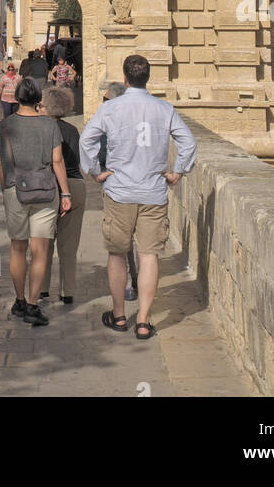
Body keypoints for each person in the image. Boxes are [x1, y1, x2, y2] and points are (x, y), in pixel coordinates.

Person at [79, 54, 196, 340]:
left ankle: (119, 315)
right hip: (153, 192)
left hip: (119, 191)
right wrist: (178, 171)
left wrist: (95, 170)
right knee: (149, 256)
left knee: (117, 253)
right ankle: (143, 321)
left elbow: (87, 140)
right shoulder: (164, 109)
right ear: (148, 77)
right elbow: (188, 142)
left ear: (126, 77)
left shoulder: (111, 108)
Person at [0, 77, 72, 327]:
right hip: (45, 190)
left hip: (15, 189)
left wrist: (5, 187)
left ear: (16, 96)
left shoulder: (4, 125)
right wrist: (66, 193)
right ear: (39, 99)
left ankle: (18, 299)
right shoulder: (49, 126)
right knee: (40, 250)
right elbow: (57, 160)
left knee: (18, 247)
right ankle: (33, 304)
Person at [40, 86, 87, 305]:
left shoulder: (41, 129)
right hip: (75, 185)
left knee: (44, 241)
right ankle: (67, 291)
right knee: (69, 245)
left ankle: (41, 288)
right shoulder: (72, 130)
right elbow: (77, 159)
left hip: (50, 186)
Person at [99, 82, 137, 300]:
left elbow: (101, 154)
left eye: (105, 100)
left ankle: (129, 284)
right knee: (138, 240)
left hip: (118, 188)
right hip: (144, 185)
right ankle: (139, 282)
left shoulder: (109, 123)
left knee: (121, 242)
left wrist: (99, 172)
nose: (102, 104)